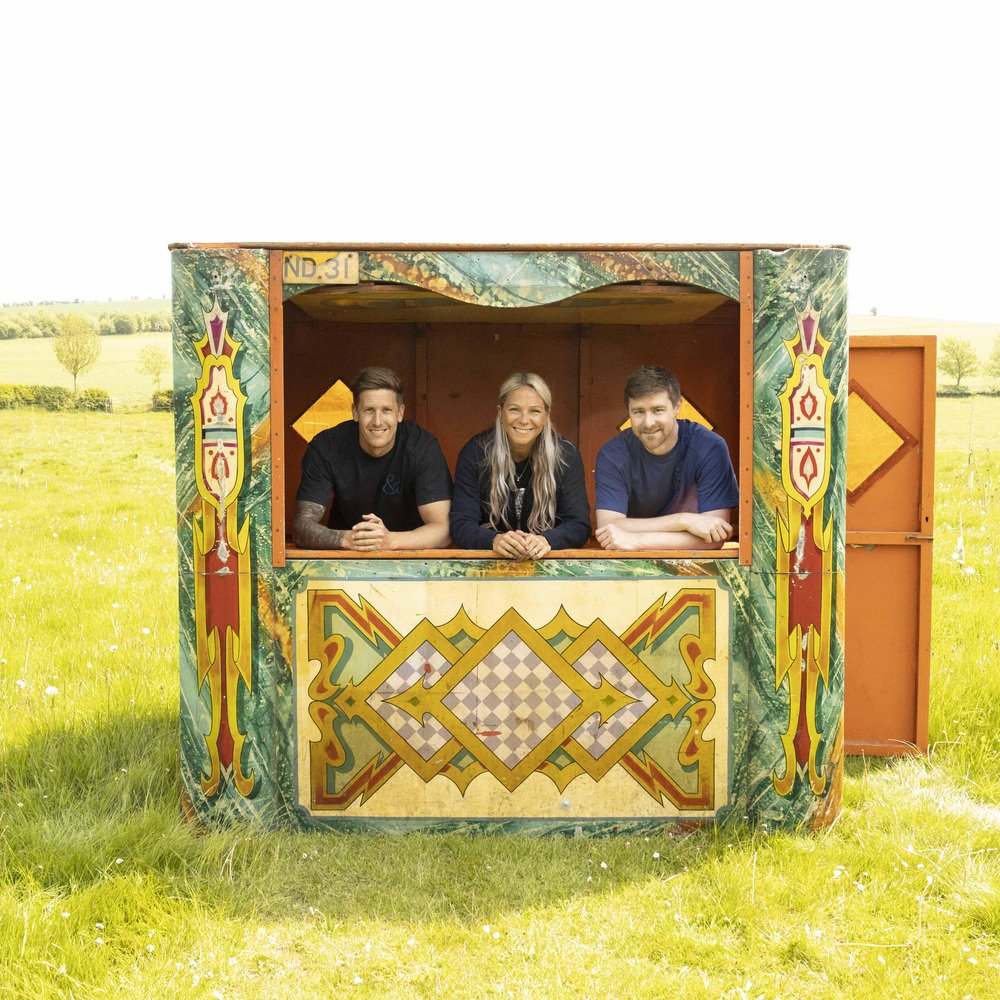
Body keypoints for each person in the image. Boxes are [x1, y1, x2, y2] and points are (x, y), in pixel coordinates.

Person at [293, 366, 452, 551]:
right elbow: (301, 527)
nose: (377, 421)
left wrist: (389, 541)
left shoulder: (422, 447)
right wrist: (349, 539)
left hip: (411, 557)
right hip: (344, 558)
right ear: (355, 412)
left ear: (400, 413)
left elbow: (443, 530)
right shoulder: (327, 447)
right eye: (369, 410)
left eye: (386, 410)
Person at [595, 365, 738, 551]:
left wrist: (637, 541)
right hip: (629, 564)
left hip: (693, 568)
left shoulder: (709, 447)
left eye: (658, 410)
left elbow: (716, 535)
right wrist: (683, 520)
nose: (648, 422)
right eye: (638, 412)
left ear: (677, 406)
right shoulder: (612, 454)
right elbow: (608, 527)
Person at [450, 372, 591, 558]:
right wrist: (494, 540)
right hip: (489, 566)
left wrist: (547, 540)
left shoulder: (565, 455)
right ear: (500, 412)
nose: (524, 420)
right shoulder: (476, 453)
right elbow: (461, 524)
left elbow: (579, 524)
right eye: (515, 409)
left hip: (547, 565)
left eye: (534, 411)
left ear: (546, 416)